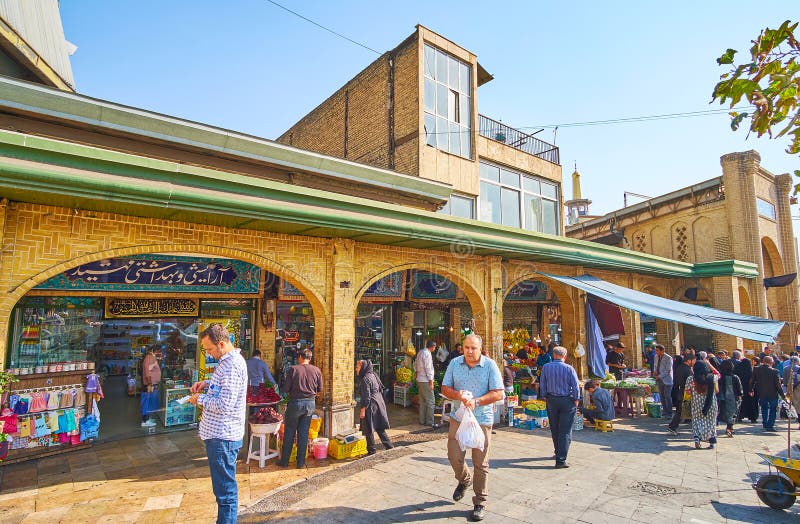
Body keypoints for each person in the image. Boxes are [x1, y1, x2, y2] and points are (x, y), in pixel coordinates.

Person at [188, 323, 248, 524]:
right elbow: (222, 387)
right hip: (218, 435)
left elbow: (224, 404)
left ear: (221, 344)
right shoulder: (225, 362)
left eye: (210, 349)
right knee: (223, 489)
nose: (209, 353)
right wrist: (206, 384)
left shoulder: (231, 365)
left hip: (223, 437)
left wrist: (199, 399)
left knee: (225, 493)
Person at [441, 334, 503, 522]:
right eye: (466, 347)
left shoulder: (490, 366)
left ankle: (479, 502)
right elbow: (445, 388)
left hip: (482, 419)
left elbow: (498, 393)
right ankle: (464, 479)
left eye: (473, 348)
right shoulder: (454, 364)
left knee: (481, 463)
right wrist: (458, 395)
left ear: (479, 348)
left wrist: (477, 401)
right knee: (454, 456)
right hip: (458, 418)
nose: (469, 351)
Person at [278, 347, 322, 468]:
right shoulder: (317, 370)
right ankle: (301, 462)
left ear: (300, 357)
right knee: (303, 433)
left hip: (296, 403)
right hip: (310, 404)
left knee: (290, 432)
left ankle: (285, 461)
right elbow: (320, 389)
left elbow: (286, 389)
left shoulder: (294, 369)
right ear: (310, 358)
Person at [539, 346, 581, 469]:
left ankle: (558, 451)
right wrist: (576, 399)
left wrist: (545, 395)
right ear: (565, 356)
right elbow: (575, 385)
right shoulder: (569, 368)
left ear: (553, 355)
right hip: (567, 401)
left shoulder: (546, 367)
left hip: (551, 400)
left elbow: (543, 383)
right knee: (565, 430)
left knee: (555, 428)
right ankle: (561, 460)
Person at [356, 359, 393, 455]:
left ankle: (372, 451)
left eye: (358, 367)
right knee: (379, 427)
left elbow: (366, 397)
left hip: (371, 405)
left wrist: (363, 410)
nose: (356, 369)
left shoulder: (365, 379)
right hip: (378, 402)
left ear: (363, 367)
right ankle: (389, 446)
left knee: (369, 428)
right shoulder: (373, 375)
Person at [686, 359, 718, 449]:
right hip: (711, 404)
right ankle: (711, 442)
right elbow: (717, 391)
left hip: (696, 404)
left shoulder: (690, 379)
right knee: (711, 423)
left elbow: (688, 393)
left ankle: (697, 440)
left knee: (696, 422)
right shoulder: (713, 377)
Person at [751, 355, 785, 431]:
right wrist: (782, 395)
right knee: (773, 410)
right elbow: (778, 385)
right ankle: (770, 425)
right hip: (773, 393)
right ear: (771, 362)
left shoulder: (756, 369)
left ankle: (765, 423)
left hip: (761, 392)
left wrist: (751, 389)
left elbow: (752, 380)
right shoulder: (775, 371)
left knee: (764, 408)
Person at [668, 352, 695, 435]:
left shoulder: (680, 368)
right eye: (693, 361)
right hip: (686, 392)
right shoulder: (687, 370)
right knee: (681, 411)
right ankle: (672, 426)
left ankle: (673, 426)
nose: (694, 363)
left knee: (680, 411)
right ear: (689, 361)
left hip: (681, 391)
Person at [414, 340, 438, 428]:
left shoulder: (420, 352)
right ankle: (430, 422)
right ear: (432, 346)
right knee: (431, 401)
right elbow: (428, 368)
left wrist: (416, 373)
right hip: (425, 380)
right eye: (434, 347)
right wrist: (431, 381)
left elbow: (415, 363)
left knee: (423, 401)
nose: (435, 349)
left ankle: (422, 420)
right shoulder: (427, 354)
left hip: (420, 379)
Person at [717, 359, 743, 437]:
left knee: (724, 411)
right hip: (733, 397)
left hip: (722, 397)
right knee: (732, 413)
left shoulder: (720, 378)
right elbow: (739, 388)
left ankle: (729, 427)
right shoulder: (735, 377)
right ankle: (730, 427)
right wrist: (740, 395)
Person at [141, 349, 161, 427]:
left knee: (149, 402)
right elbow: (147, 371)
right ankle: (145, 421)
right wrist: (150, 383)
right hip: (148, 385)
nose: (160, 353)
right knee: (147, 402)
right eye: (159, 351)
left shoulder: (151, 357)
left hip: (150, 384)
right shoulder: (149, 357)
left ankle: (148, 418)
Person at [653, 344, 674, 415]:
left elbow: (668, 370)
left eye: (657, 350)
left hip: (667, 380)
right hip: (659, 380)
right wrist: (655, 371)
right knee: (661, 396)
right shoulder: (656, 357)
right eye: (656, 350)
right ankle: (664, 411)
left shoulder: (668, 358)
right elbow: (655, 366)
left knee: (667, 396)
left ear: (662, 350)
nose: (656, 352)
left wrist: (660, 376)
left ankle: (669, 412)